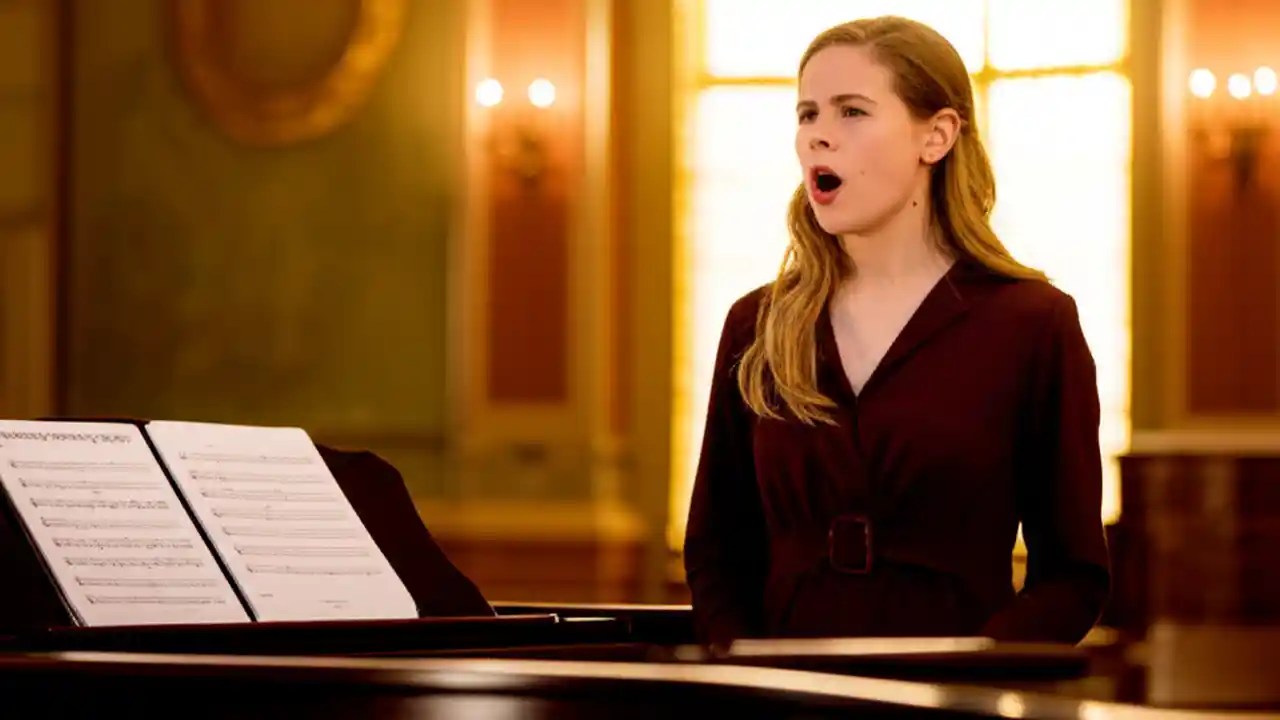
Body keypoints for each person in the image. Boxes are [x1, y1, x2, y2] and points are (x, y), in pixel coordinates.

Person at [683, 15, 1110, 646]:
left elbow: (1072, 578)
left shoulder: (1032, 324)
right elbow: (718, 555)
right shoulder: (757, 324)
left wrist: (967, 677)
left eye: (851, 112)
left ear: (936, 136)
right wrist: (749, 679)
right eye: (807, 115)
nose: (817, 139)